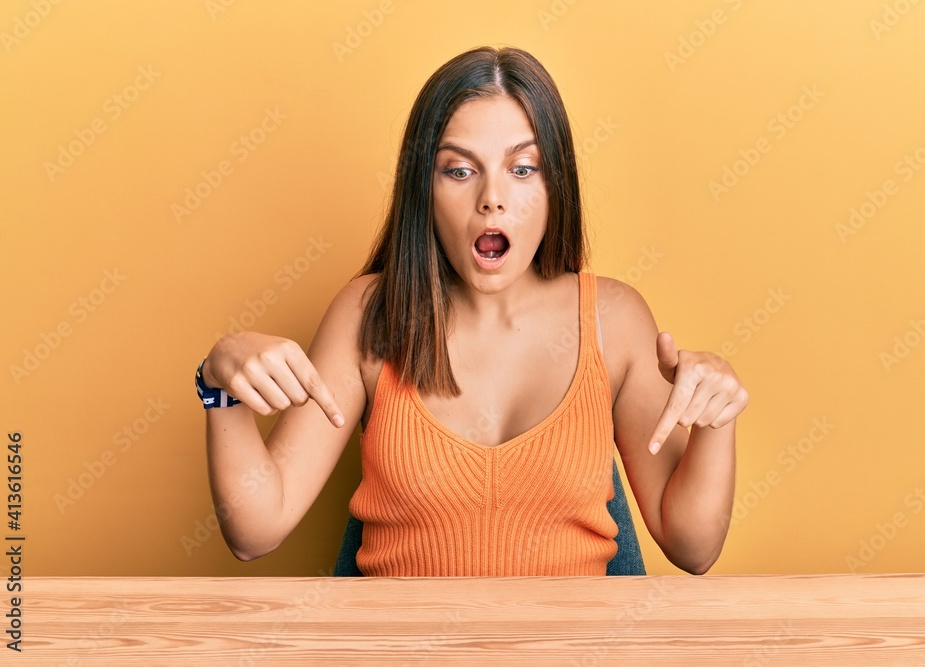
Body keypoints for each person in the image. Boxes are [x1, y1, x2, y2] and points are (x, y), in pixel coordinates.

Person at [197, 46, 748, 576]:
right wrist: (218, 382)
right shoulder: (368, 314)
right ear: (424, 188)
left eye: (523, 169)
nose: (492, 198)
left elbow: (693, 548)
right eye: (459, 171)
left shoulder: (616, 320)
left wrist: (716, 419)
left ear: (556, 184)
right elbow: (254, 531)